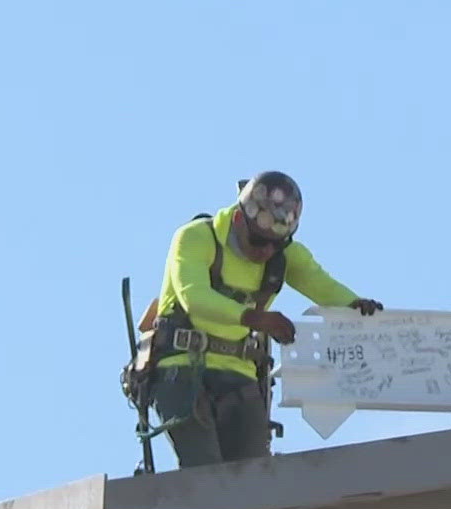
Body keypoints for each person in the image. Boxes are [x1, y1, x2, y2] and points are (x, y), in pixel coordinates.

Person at [137, 171, 383, 468]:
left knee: (252, 479)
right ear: (240, 221)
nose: (266, 251)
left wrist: (354, 306)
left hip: (238, 374)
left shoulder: (283, 254)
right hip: (182, 371)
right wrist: (256, 318)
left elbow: (322, 285)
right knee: (204, 473)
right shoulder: (197, 238)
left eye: (276, 245)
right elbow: (194, 298)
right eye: (258, 241)